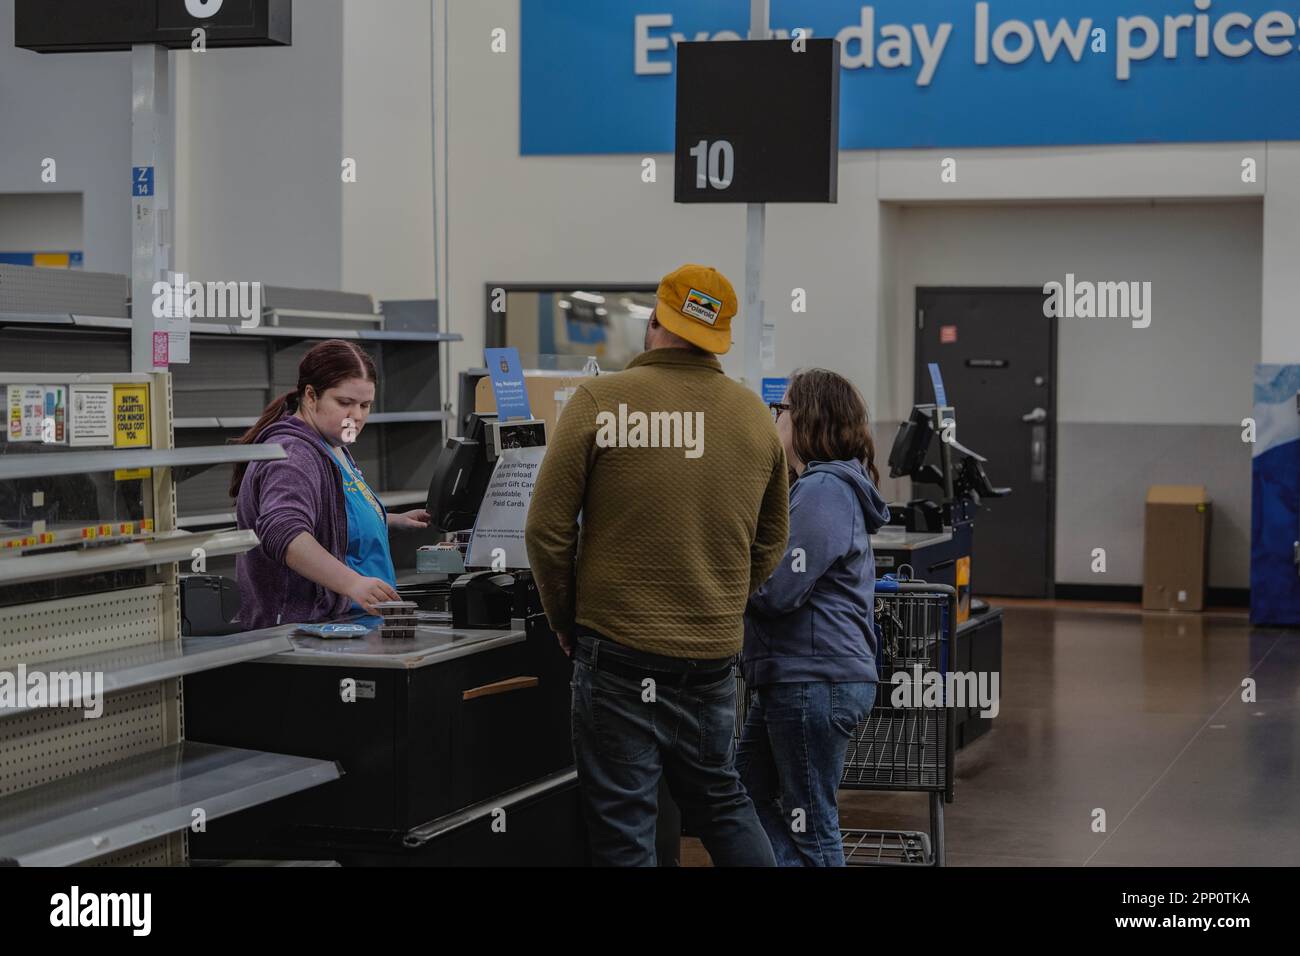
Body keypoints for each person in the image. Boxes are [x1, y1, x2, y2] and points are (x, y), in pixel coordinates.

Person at [525, 264, 789, 866]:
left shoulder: (600, 400)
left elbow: (545, 529)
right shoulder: (755, 415)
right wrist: (721, 598)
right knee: (721, 798)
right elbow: (774, 537)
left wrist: (565, 617)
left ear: (654, 323)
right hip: (714, 657)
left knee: (625, 823)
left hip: (617, 655)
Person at [737, 368, 889, 866]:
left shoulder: (824, 490)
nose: (773, 419)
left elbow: (778, 589)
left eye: (779, 410)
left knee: (812, 824)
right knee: (744, 794)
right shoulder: (817, 487)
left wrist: (729, 564)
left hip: (813, 678)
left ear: (803, 419)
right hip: (796, 675)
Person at [229, 339, 431, 629]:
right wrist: (353, 583)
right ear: (311, 396)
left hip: (347, 625)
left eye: (365, 405)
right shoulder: (294, 454)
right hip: (303, 633)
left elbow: (331, 516)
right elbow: (284, 533)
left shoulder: (332, 445)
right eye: (345, 403)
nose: (358, 416)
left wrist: (387, 519)